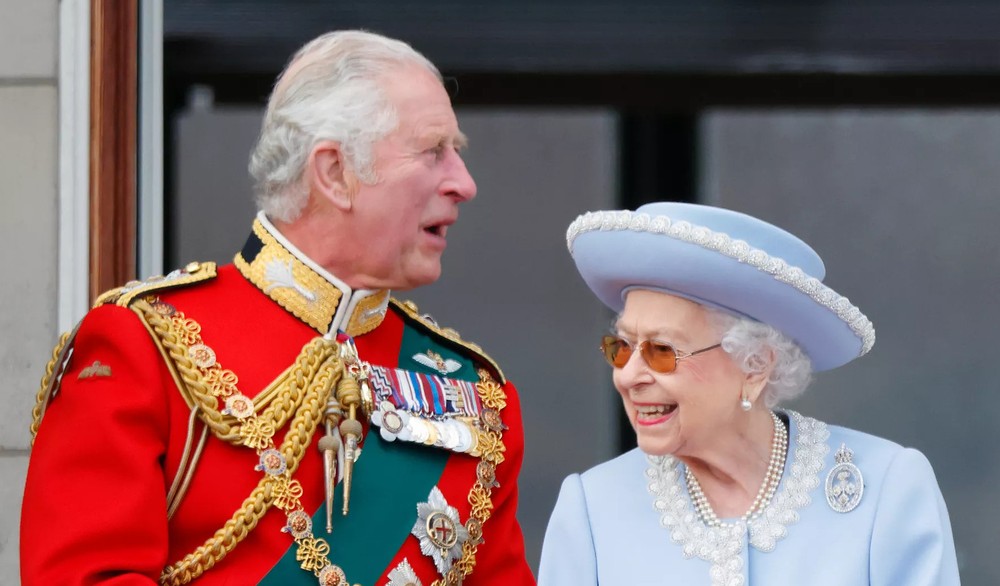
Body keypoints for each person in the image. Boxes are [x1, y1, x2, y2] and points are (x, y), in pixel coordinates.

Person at [21, 30, 535, 586]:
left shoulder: (476, 397)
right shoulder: (148, 345)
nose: (464, 183)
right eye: (434, 151)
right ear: (334, 172)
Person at [538, 201, 960, 585]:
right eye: (622, 347)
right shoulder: (592, 510)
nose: (628, 376)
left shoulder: (886, 490)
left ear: (755, 365)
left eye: (661, 351)